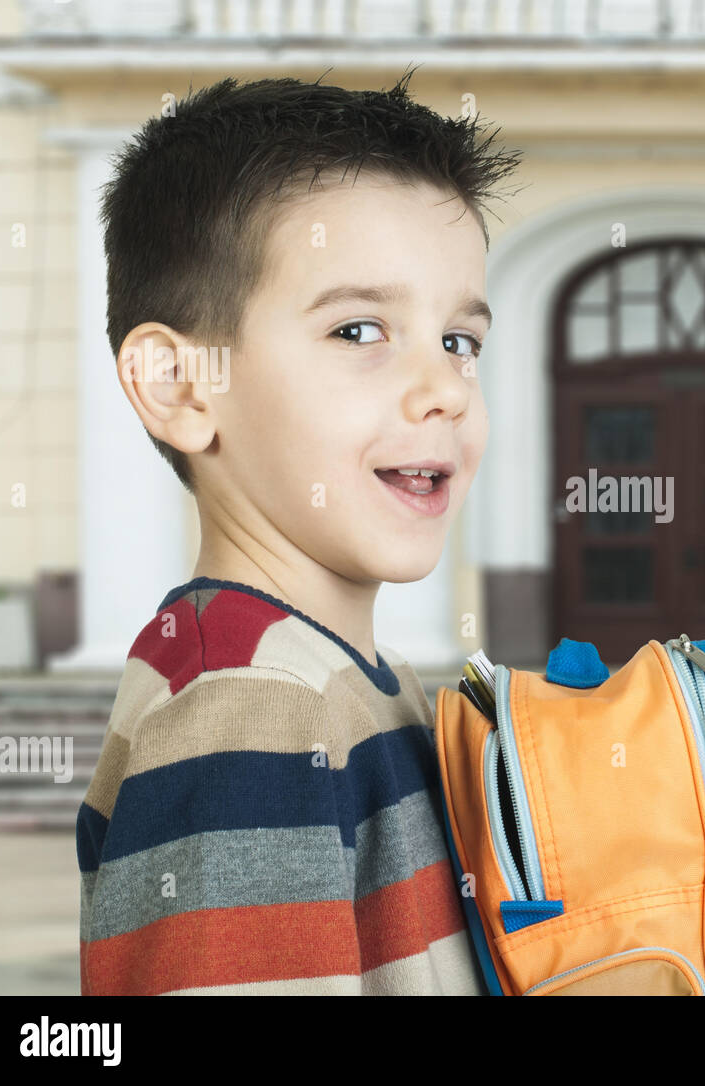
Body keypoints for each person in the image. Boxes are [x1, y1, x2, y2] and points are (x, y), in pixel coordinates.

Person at [75, 70, 522, 994]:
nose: (444, 387)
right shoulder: (247, 703)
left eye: (460, 341)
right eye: (360, 331)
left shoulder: (352, 676)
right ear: (182, 386)